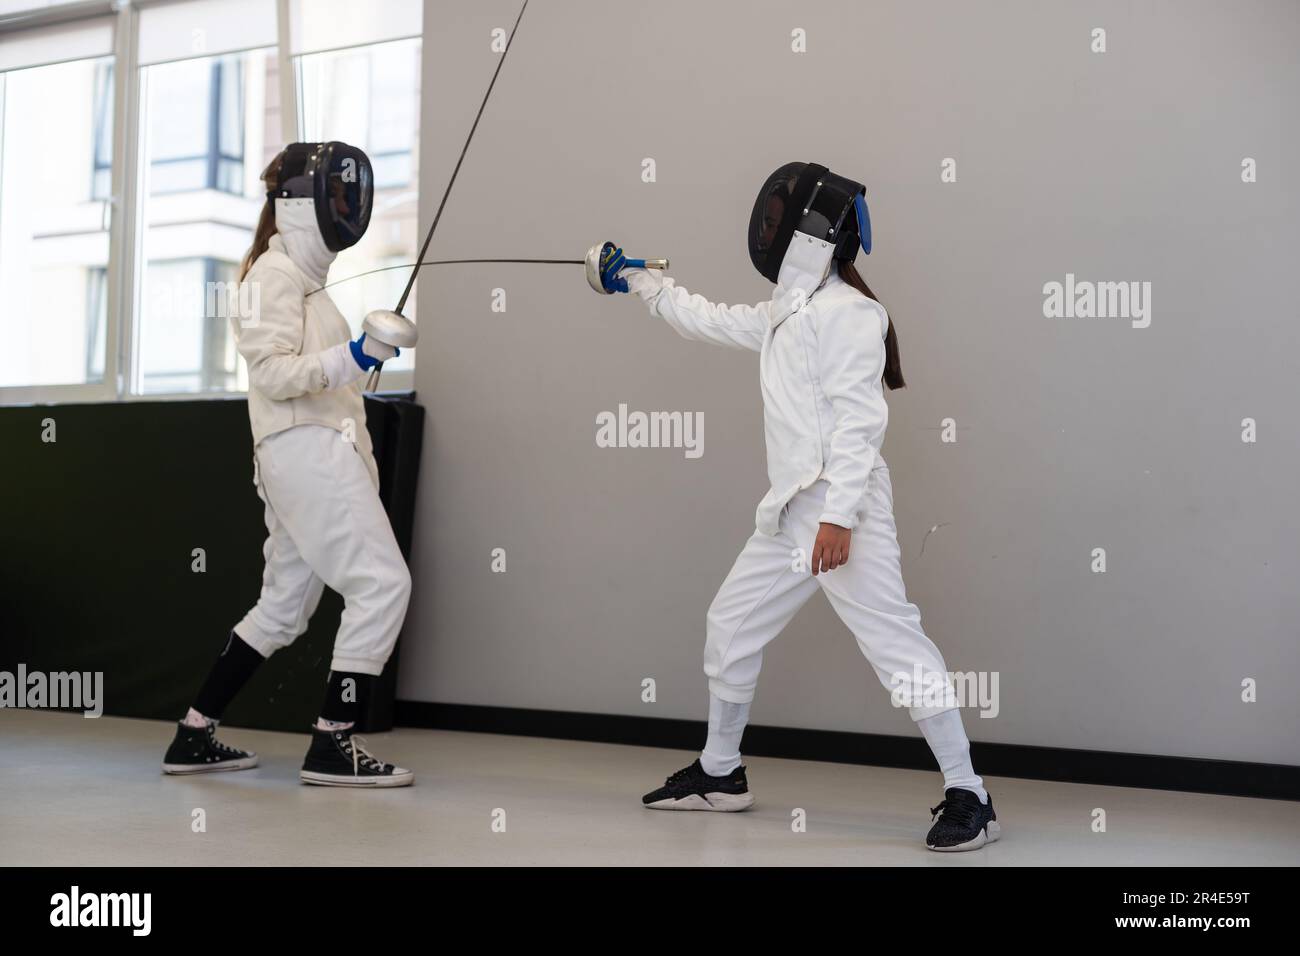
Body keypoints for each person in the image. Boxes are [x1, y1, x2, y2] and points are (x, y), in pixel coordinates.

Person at [604, 162, 998, 850]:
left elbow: (860, 422)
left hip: (844, 505)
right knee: (730, 625)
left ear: (813, 232)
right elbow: (707, 320)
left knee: (894, 644)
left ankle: (970, 793)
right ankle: (721, 774)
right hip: (791, 508)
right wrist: (640, 280)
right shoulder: (788, 313)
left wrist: (841, 517)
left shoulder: (853, 314)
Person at [161, 142, 413, 788]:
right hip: (307, 450)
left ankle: (193, 733)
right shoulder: (271, 277)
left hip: (305, 450)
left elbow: (321, 374)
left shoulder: (308, 289)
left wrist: (359, 357)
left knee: (282, 608)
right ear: (299, 204)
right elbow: (273, 374)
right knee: (382, 583)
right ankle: (333, 742)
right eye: (333, 195)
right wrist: (355, 357)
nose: (343, 207)